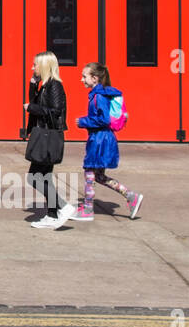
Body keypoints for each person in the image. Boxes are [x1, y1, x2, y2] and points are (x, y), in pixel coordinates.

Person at [71, 62, 144, 221]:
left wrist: (84, 122)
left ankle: (88, 209)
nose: (81, 79)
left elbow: (103, 119)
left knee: (90, 172)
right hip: (103, 138)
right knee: (98, 176)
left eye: (84, 76)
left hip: (100, 140)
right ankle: (131, 196)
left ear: (95, 78)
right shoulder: (99, 94)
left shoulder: (99, 96)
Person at [23, 51, 76, 229]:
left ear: (44, 66)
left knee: (34, 178)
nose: (32, 67)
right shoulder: (45, 85)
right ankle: (53, 216)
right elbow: (36, 103)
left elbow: (55, 111)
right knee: (45, 178)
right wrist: (32, 84)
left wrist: (32, 108)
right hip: (45, 136)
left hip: (49, 137)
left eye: (35, 65)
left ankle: (64, 206)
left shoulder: (55, 86)